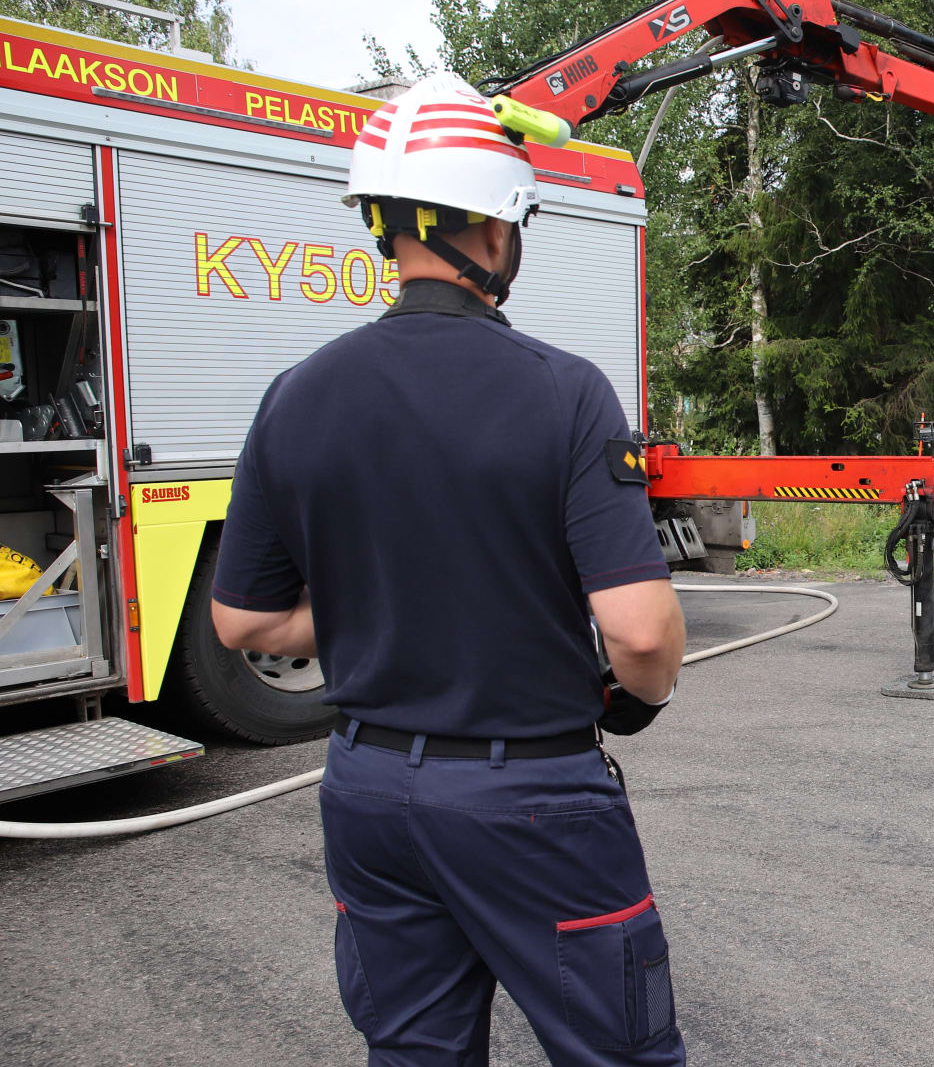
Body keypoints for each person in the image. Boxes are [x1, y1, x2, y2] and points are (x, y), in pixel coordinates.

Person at [209, 72, 689, 1067]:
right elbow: (640, 634)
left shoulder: (293, 397)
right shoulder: (566, 392)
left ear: (382, 226)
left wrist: (363, 610)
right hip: (532, 799)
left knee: (416, 1053)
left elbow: (244, 626)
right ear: (501, 232)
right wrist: (635, 701)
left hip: (370, 789)